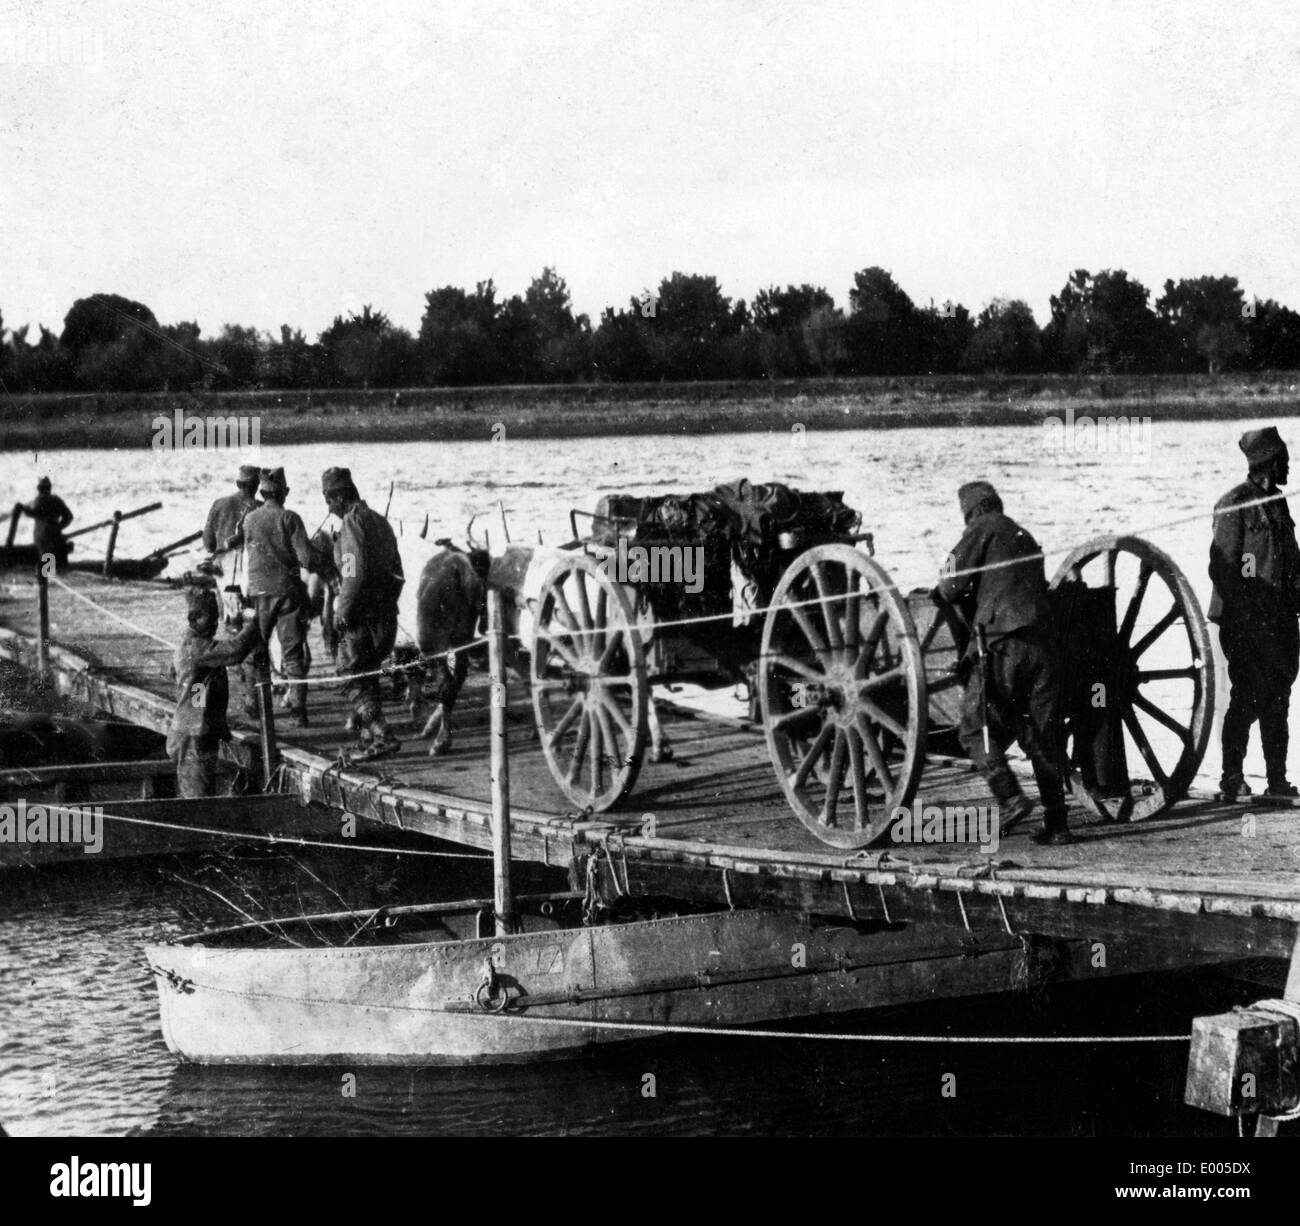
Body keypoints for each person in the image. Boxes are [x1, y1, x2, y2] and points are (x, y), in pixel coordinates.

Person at [935, 480, 1072, 845]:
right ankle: (1058, 824)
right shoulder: (1024, 534)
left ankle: (1010, 798)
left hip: (1003, 644)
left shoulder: (981, 529)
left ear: (971, 512)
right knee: (1042, 734)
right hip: (1044, 646)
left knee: (972, 727)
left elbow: (948, 585)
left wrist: (949, 573)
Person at [1208, 426, 1300, 802]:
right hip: (1245, 623)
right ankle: (1232, 777)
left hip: (1281, 622)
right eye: (1284, 460)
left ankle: (1277, 781)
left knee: (1279, 699)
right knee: (1246, 697)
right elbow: (1224, 568)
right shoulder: (1233, 504)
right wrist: (1248, 613)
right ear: (1268, 462)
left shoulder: (1278, 502)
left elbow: (1291, 561)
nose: (1289, 466)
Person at [323, 466, 404, 758]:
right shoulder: (380, 521)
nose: (328, 508)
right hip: (385, 616)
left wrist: (342, 611)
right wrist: (387, 605)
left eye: (328, 500)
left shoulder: (351, 523)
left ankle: (383, 735)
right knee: (369, 676)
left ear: (339, 497)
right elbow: (398, 573)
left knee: (349, 675)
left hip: (361, 617)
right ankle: (369, 737)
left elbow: (352, 574)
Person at [222, 466, 312, 728]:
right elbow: (306, 559)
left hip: (258, 594)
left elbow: (234, 541)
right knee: (292, 653)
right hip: (288, 593)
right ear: (285, 492)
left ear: (262, 493)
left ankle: (254, 703)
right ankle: (298, 711)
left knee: (256, 649)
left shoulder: (250, 519)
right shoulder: (291, 518)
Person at [166, 587, 254, 797]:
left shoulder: (189, 642)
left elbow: (171, 672)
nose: (215, 624)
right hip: (192, 735)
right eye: (211, 618)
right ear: (194, 619)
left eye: (217, 617)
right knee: (198, 802)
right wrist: (257, 622)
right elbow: (235, 651)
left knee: (201, 793)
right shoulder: (197, 647)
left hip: (196, 729)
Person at [201, 464, 260, 628]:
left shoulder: (219, 504)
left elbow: (208, 544)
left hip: (224, 572)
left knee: (228, 622)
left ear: (238, 483)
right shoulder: (261, 508)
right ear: (257, 485)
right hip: (253, 574)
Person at [23, 476, 74, 570]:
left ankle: (45, 574)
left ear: (39, 489)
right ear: (50, 488)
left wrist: (23, 508)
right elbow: (69, 517)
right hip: (55, 536)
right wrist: (58, 528)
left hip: (42, 537)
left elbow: (33, 513)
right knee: (58, 564)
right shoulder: (56, 500)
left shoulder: (39, 500)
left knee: (45, 563)